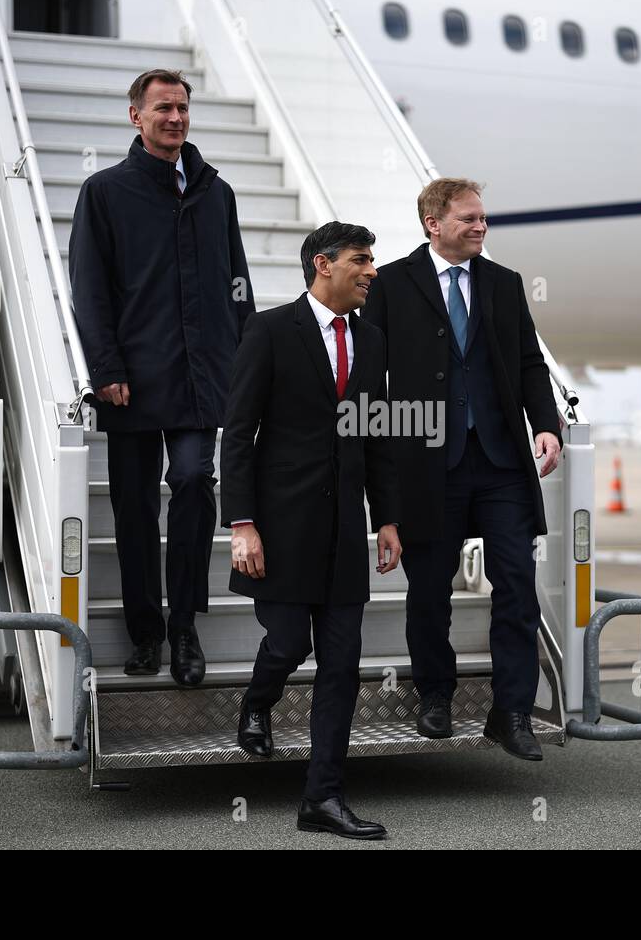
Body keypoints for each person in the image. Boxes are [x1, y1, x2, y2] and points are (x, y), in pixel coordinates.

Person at [362, 178, 562, 760]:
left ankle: (513, 710)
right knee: (429, 590)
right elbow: (372, 378)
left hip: (500, 460)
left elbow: (529, 361)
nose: (481, 227)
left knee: (517, 587)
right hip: (427, 466)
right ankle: (435, 697)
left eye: (483, 218)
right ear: (434, 223)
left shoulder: (503, 284)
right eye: (469, 219)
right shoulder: (392, 284)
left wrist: (544, 423)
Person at [69, 69, 254, 685]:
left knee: (197, 481)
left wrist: (247, 360)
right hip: (132, 381)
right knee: (134, 508)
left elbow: (238, 286)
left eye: (181, 108)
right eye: (161, 109)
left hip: (204, 379)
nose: (174, 118)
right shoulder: (105, 193)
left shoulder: (215, 193)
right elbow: (89, 292)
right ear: (135, 116)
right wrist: (106, 368)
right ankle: (145, 630)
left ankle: (184, 629)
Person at [220, 221, 402, 839]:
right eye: (361, 260)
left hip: (345, 529)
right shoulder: (270, 331)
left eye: (372, 260)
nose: (371, 271)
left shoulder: (371, 340)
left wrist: (388, 518)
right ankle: (258, 701)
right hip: (282, 524)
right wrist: (242, 525)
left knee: (342, 665)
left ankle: (321, 798)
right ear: (324, 265)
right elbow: (238, 434)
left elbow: (373, 436)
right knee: (289, 642)